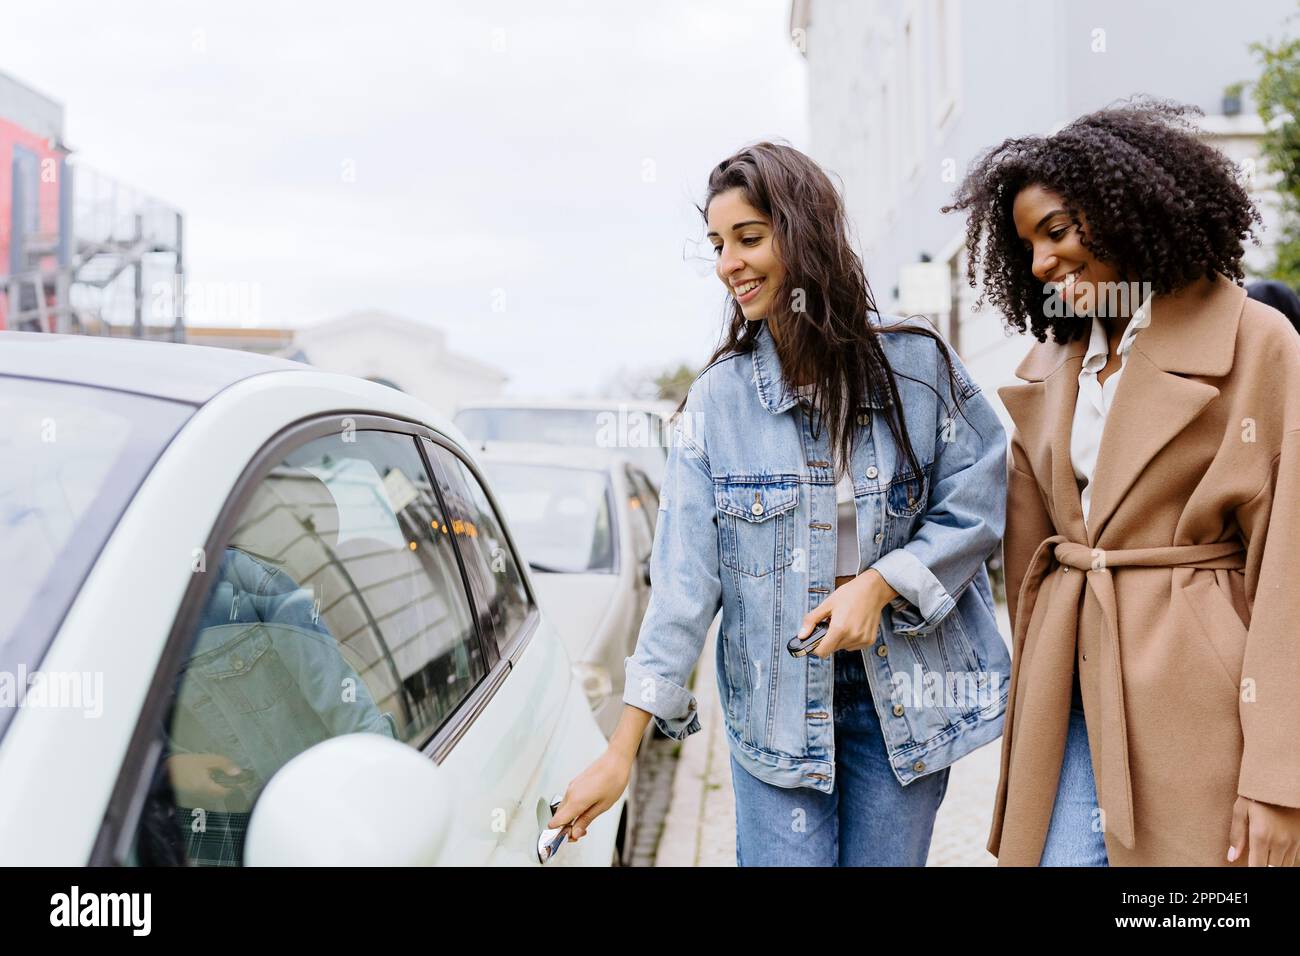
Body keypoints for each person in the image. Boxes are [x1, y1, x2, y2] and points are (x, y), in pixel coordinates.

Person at [549, 141, 1010, 866]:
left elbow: (979, 502)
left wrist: (882, 584)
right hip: (777, 712)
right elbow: (681, 589)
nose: (729, 262)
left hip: (906, 703)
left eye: (749, 238)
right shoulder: (717, 403)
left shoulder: (919, 369)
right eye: (717, 244)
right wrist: (621, 752)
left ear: (804, 232)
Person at [945, 99, 1300, 866]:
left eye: (1059, 230)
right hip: (1069, 688)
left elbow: (1290, 574)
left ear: (1128, 209)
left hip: (1204, 699)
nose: (1041, 263)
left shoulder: (1257, 343)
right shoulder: (1053, 364)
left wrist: (1280, 779)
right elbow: (1029, 553)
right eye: (1028, 244)